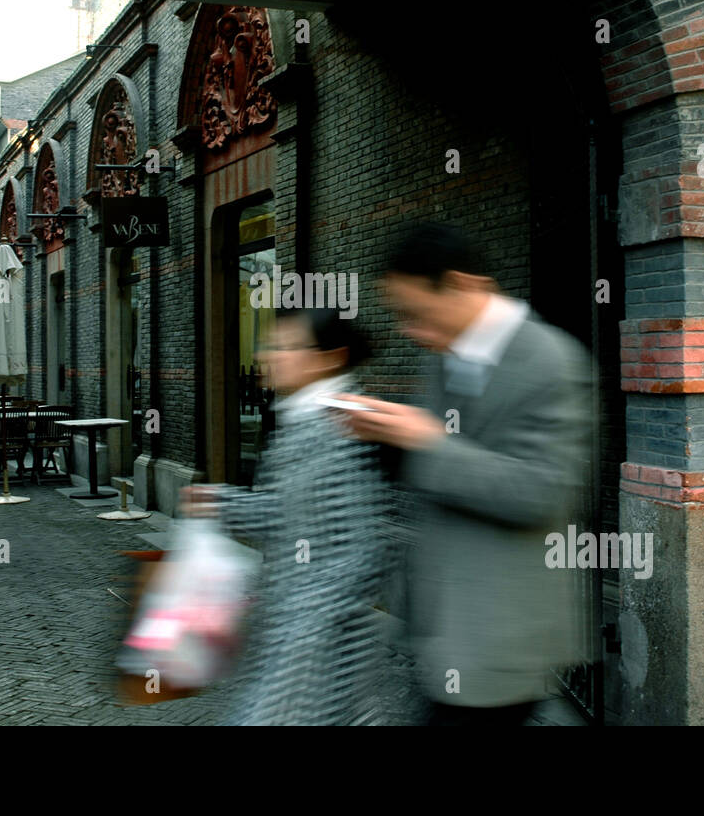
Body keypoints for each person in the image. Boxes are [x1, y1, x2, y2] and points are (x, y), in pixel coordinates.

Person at [334, 222, 594, 726]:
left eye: (416, 314)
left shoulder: (551, 361)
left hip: (502, 635)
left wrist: (424, 440)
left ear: (460, 286)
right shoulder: (447, 356)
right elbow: (444, 466)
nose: (411, 331)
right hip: (448, 628)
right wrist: (382, 438)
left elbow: (539, 491)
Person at [180, 306, 395, 725]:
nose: (269, 356)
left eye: (286, 346)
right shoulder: (305, 420)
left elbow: (360, 549)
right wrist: (219, 503)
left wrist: (305, 631)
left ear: (329, 358)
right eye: (271, 345)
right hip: (303, 637)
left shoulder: (337, 428)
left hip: (315, 650)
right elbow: (290, 514)